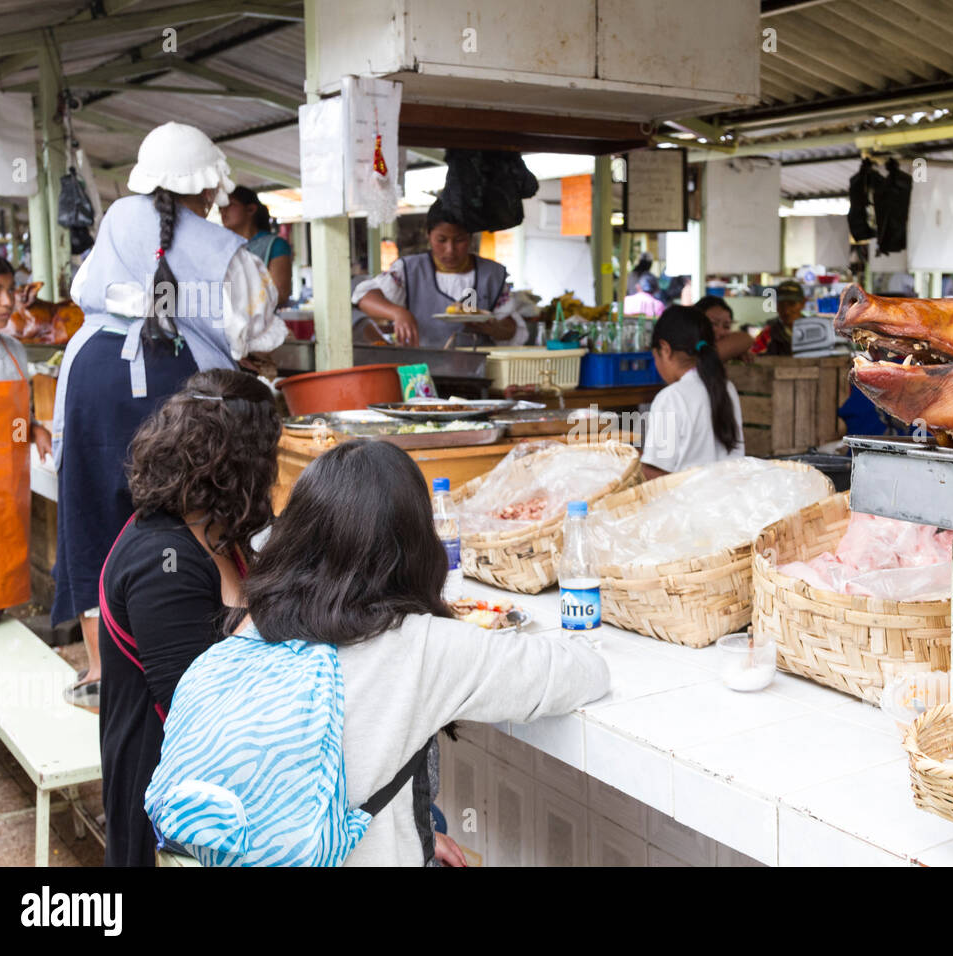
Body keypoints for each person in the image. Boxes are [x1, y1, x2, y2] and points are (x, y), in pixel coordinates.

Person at [235, 439, 609, 865]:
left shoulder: (253, 628)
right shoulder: (423, 645)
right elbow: (583, 672)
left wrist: (416, 836)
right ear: (413, 544)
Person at [51, 122, 287, 711]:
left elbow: (84, 286)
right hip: (175, 380)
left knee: (91, 506)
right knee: (187, 506)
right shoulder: (225, 249)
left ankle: (101, 669)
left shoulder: (114, 221)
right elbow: (259, 334)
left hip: (91, 373)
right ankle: (188, 647)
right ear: (209, 189)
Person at [98, 370, 280, 866]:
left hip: (219, 797)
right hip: (166, 800)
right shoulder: (162, 558)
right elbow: (195, 702)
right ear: (247, 462)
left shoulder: (215, 526)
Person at [0, 251, 51, 628]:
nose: (8, 302)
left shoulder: (14, 351)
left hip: (9, 505)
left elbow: (13, 423)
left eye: (11, 290)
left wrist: (32, 428)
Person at [351, 201, 517, 348]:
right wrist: (398, 313)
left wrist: (493, 328)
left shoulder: (492, 274)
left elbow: (511, 329)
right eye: (441, 240)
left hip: (478, 368)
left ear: (471, 237)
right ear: (428, 235)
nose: (450, 250)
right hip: (422, 368)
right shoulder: (409, 269)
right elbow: (364, 296)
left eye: (459, 240)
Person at [641, 305, 744, 479]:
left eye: (655, 357)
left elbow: (656, 472)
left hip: (684, 502)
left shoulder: (671, 397)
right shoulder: (726, 387)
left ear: (665, 349)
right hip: (727, 499)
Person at [220, 185, 293, 306]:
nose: (223, 211)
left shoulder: (275, 245)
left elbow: (280, 295)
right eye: (220, 208)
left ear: (251, 209)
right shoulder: (224, 247)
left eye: (230, 204)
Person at [750, 279, 806, 356]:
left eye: (792, 304)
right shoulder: (767, 335)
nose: (787, 311)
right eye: (782, 305)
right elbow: (753, 358)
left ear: (803, 303)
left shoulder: (816, 331)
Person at [694, 294, 753, 363]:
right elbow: (745, 339)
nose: (721, 332)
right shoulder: (693, 347)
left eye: (726, 326)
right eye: (713, 323)